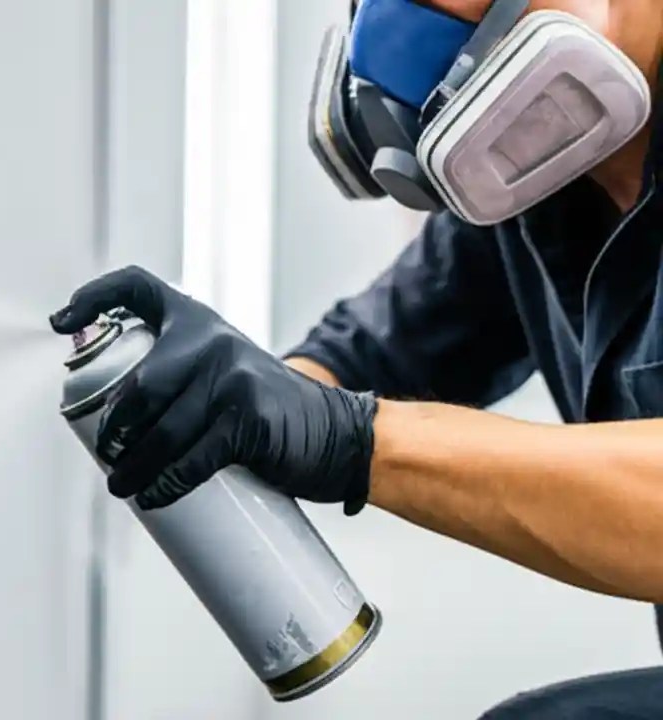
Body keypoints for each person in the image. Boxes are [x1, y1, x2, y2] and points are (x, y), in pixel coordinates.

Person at [50, 0, 663, 717]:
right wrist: (223, 392)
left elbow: (347, 425)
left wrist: (352, 440)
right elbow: (365, 354)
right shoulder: (545, 186)